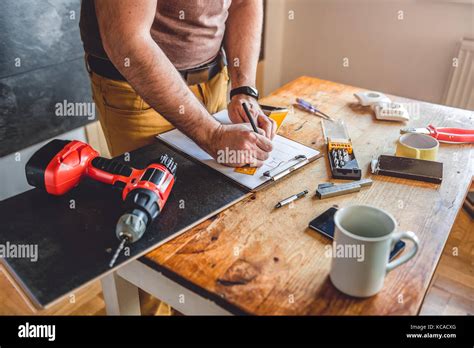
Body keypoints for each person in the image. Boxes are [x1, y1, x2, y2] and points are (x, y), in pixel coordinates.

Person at [79, 0, 275, 167]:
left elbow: (244, 2)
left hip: (214, 79)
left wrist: (244, 90)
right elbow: (126, 41)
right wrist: (214, 136)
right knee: (164, 203)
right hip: (142, 93)